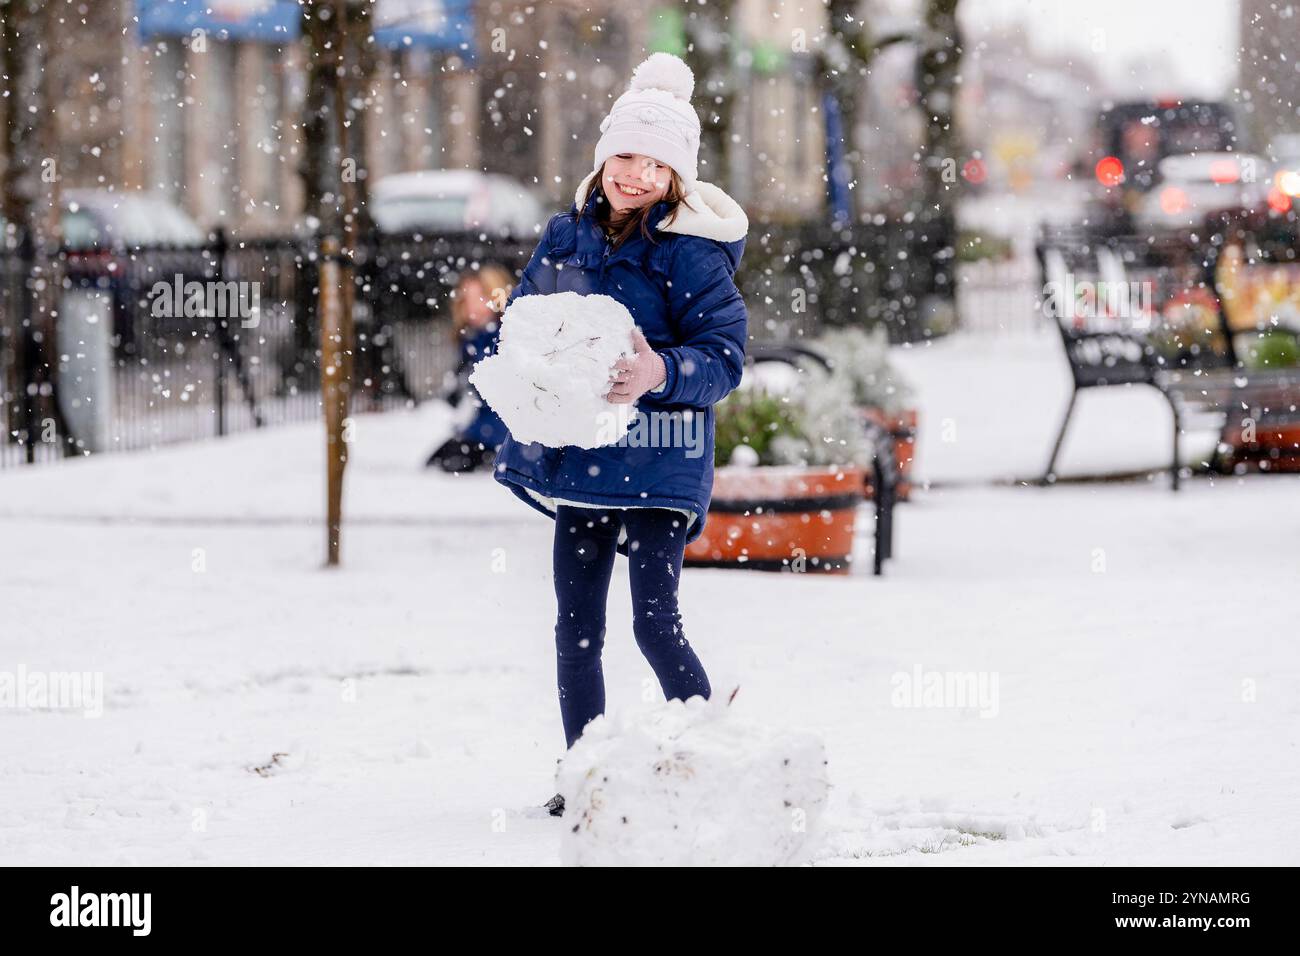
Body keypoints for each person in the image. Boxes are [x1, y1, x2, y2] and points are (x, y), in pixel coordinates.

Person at [488, 53, 750, 816]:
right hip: (582, 458)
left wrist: (659, 373)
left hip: (661, 464)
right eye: (625, 156)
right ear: (603, 159)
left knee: (652, 622)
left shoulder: (690, 255)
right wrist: (516, 380)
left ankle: (713, 758)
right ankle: (586, 775)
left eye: (656, 164)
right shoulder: (566, 240)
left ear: (678, 180)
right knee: (575, 628)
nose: (635, 175)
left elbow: (725, 359)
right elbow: (528, 331)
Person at [426, 264, 514, 472]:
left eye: (480, 296)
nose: (473, 305)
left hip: (503, 438)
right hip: (482, 432)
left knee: (444, 466)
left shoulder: (503, 337)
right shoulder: (472, 340)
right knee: (437, 464)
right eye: (467, 298)